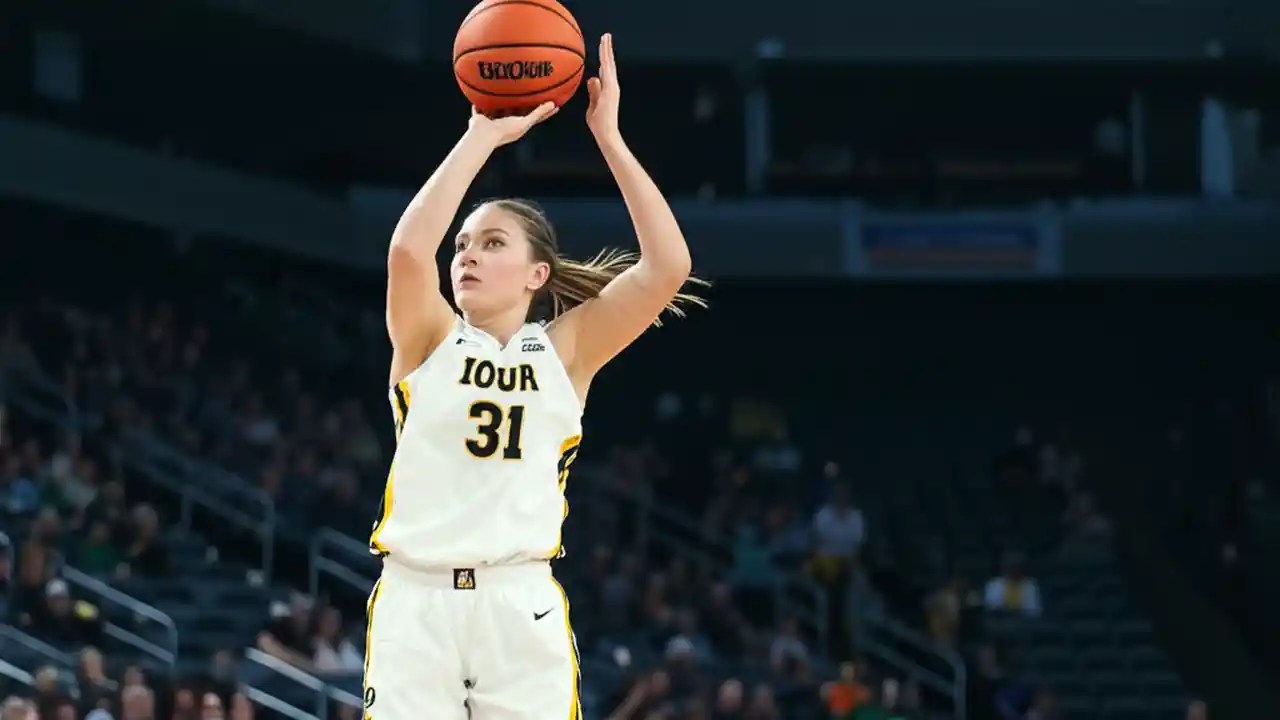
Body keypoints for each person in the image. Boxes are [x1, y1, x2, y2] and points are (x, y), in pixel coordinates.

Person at [362, 33, 705, 720]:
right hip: (413, 598)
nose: (468, 255)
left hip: (518, 602)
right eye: (463, 244)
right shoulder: (429, 339)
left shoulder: (566, 350)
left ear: (536, 274)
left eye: (492, 244)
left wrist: (608, 137)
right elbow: (407, 250)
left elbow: (665, 268)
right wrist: (479, 138)